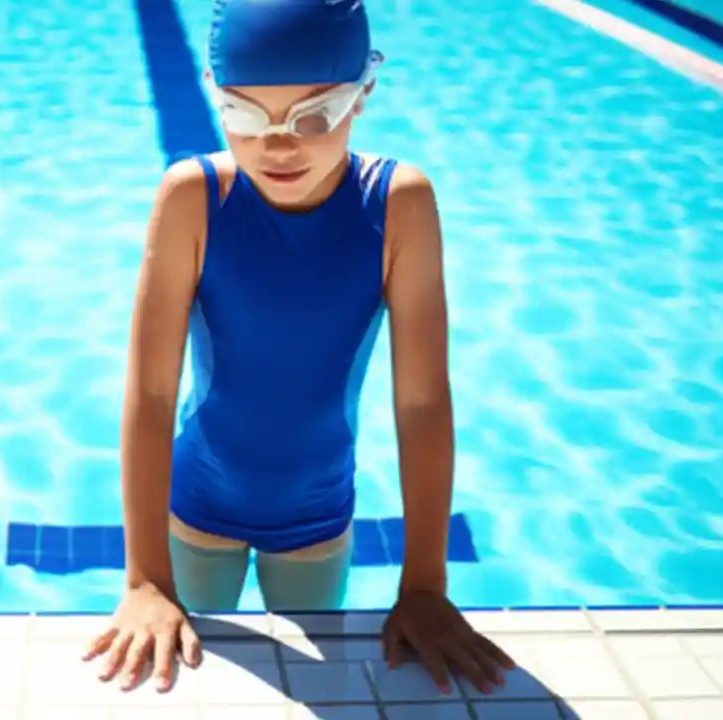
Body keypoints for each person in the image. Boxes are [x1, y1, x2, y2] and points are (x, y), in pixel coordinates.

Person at [84, 0, 516, 698]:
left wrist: (426, 585)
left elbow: (423, 402)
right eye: (246, 116)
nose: (279, 146)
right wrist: (144, 580)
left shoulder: (398, 202)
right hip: (197, 510)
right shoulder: (194, 195)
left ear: (364, 92)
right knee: (191, 690)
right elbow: (152, 394)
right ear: (214, 93)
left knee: (331, 696)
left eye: (314, 116)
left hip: (318, 517)